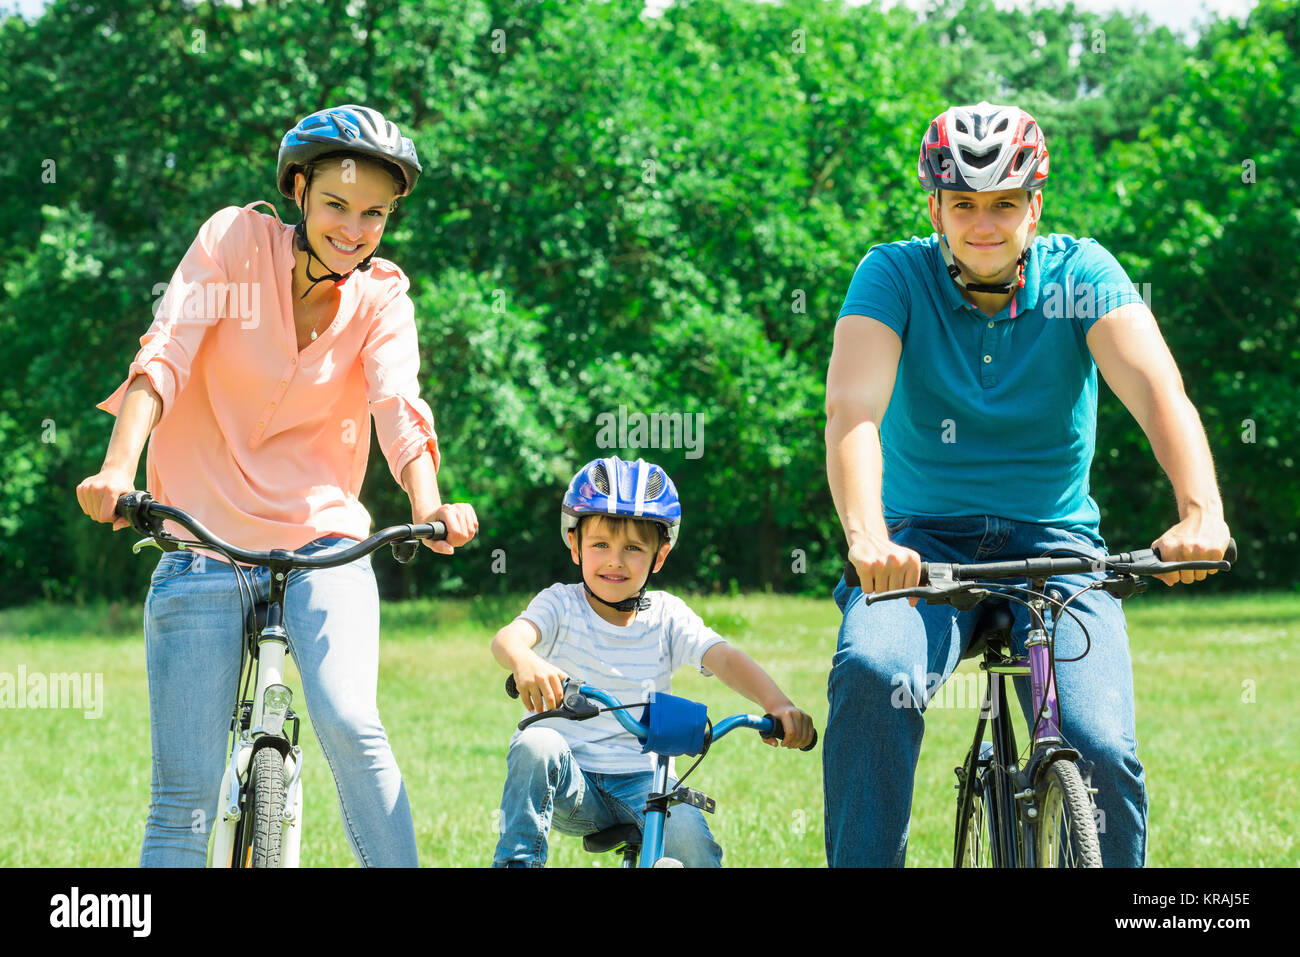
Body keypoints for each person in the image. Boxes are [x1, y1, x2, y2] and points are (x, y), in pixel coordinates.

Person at [823, 101, 1231, 867]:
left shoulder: (1082, 273)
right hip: (919, 546)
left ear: (1034, 205)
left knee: (1101, 746)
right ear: (935, 208)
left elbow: (1158, 392)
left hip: (1058, 547)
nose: (985, 223)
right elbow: (853, 409)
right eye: (965, 204)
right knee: (876, 675)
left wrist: (1201, 511)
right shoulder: (893, 274)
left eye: (1005, 202)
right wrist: (868, 537)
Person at [75, 104, 478, 867]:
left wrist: (428, 504)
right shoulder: (233, 243)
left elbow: (398, 403)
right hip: (204, 537)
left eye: (374, 215)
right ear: (298, 190)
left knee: (355, 725)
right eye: (336, 204)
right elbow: (168, 350)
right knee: (182, 802)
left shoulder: (383, 297)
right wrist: (117, 468)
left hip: (323, 540)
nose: (354, 229)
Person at [489, 456, 815, 867]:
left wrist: (778, 705)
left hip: (647, 781)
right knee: (536, 743)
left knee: (693, 844)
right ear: (575, 545)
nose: (615, 560)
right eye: (600, 544)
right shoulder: (560, 604)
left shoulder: (667, 616)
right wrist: (524, 659)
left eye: (633, 548)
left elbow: (726, 659)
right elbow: (508, 639)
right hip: (572, 782)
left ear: (658, 557)